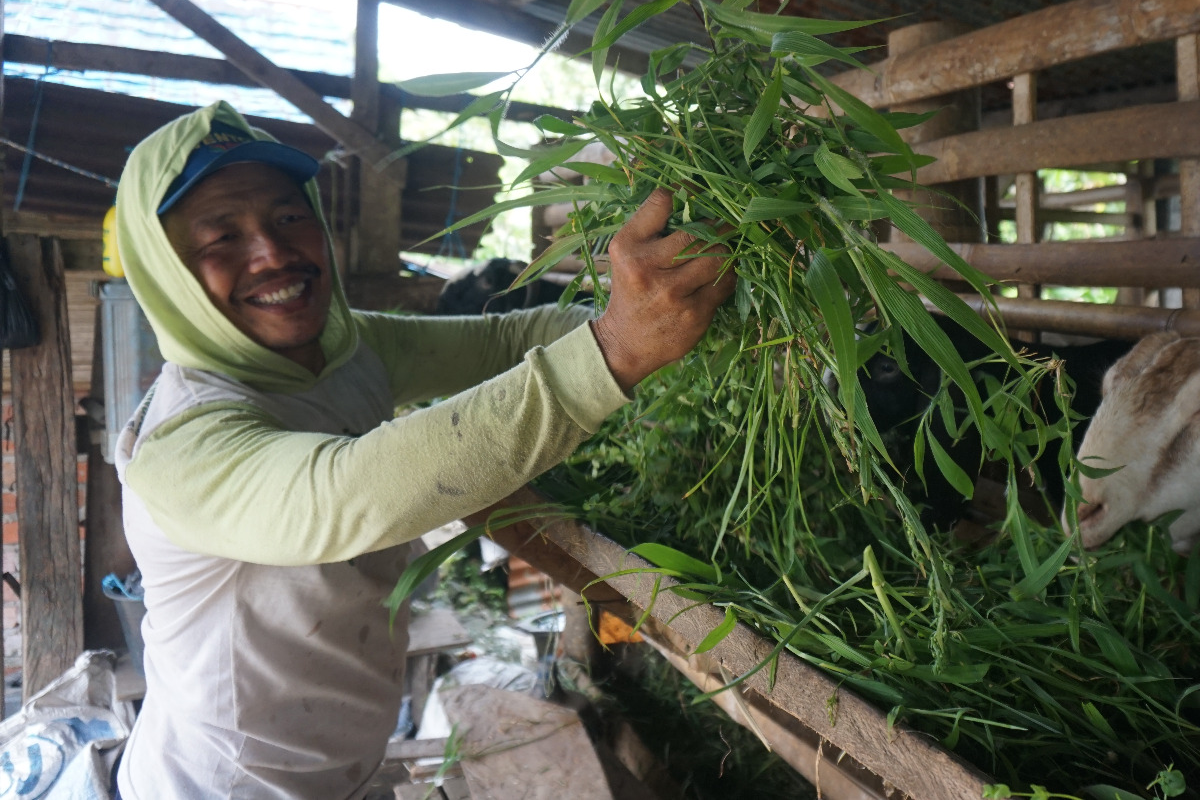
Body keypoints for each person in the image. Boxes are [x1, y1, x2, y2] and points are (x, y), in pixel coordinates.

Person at [111, 100, 734, 799]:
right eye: (220, 237)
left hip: (344, 770)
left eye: (289, 217)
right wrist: (615, 350)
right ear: (165, 272)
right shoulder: (182, 446)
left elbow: (502, 342)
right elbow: (347, 493)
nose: (273, 252)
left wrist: (663, 319)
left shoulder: (344, 350)